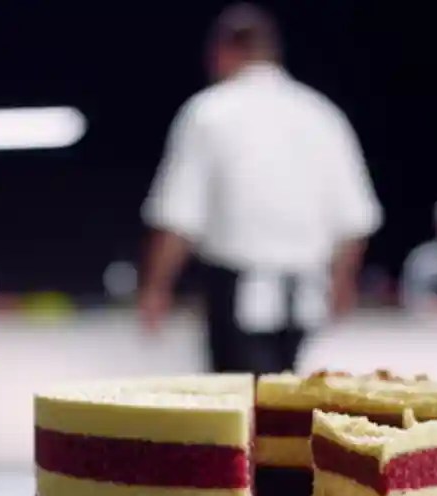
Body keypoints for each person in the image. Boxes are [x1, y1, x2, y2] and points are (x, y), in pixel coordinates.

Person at [137, 4, 382, 374]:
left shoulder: (209, 112)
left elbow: (179, 214)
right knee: (284, 399)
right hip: (307, 289)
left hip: (236, 287)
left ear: (225, 50)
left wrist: (156, 288)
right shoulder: (321, 113)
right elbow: (354, 217)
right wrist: (342, 281)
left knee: (239, 409)